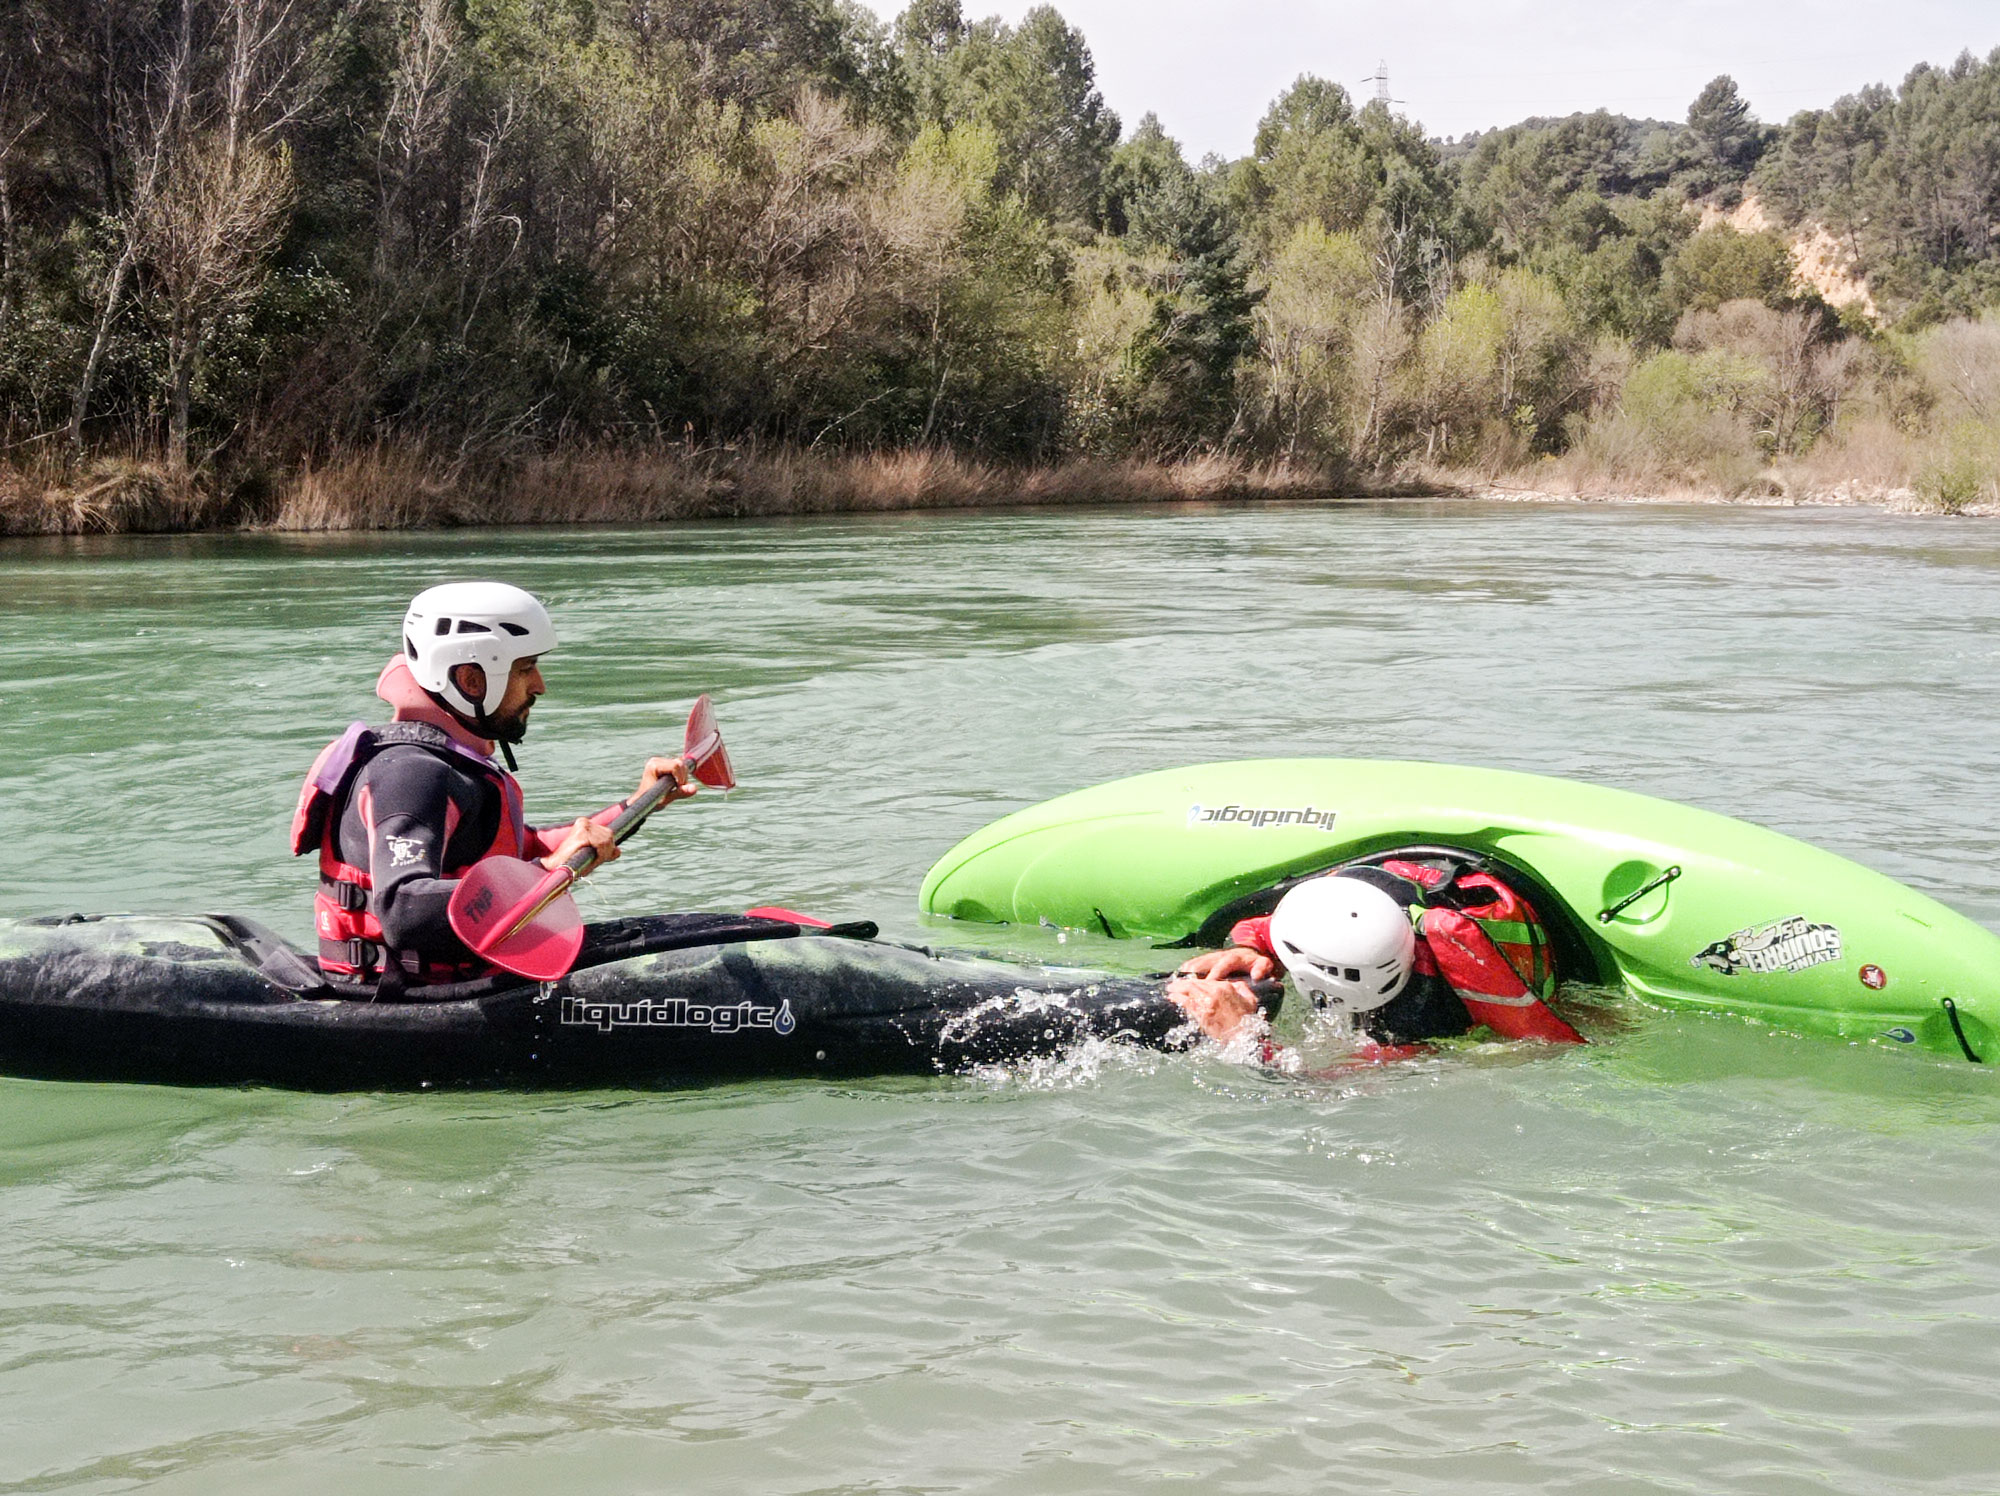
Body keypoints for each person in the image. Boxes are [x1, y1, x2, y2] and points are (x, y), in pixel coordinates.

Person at [291, 582, 696, 994]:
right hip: (402, 998)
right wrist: (544, 873)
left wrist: (639, 803)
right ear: (470, 679)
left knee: (692, 936)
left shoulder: (452, 765)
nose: (539, 685)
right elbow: (404, 911)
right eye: (525, 669)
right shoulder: (411, 775)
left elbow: (524, 847)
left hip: (462, 978)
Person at [1167, 853, 1586, 1060]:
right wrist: (1250, 948)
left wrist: (1240, 1037)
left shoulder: (1413, 1031)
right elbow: (1268, 924)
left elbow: (1310, 1092)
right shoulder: (1368, 901)